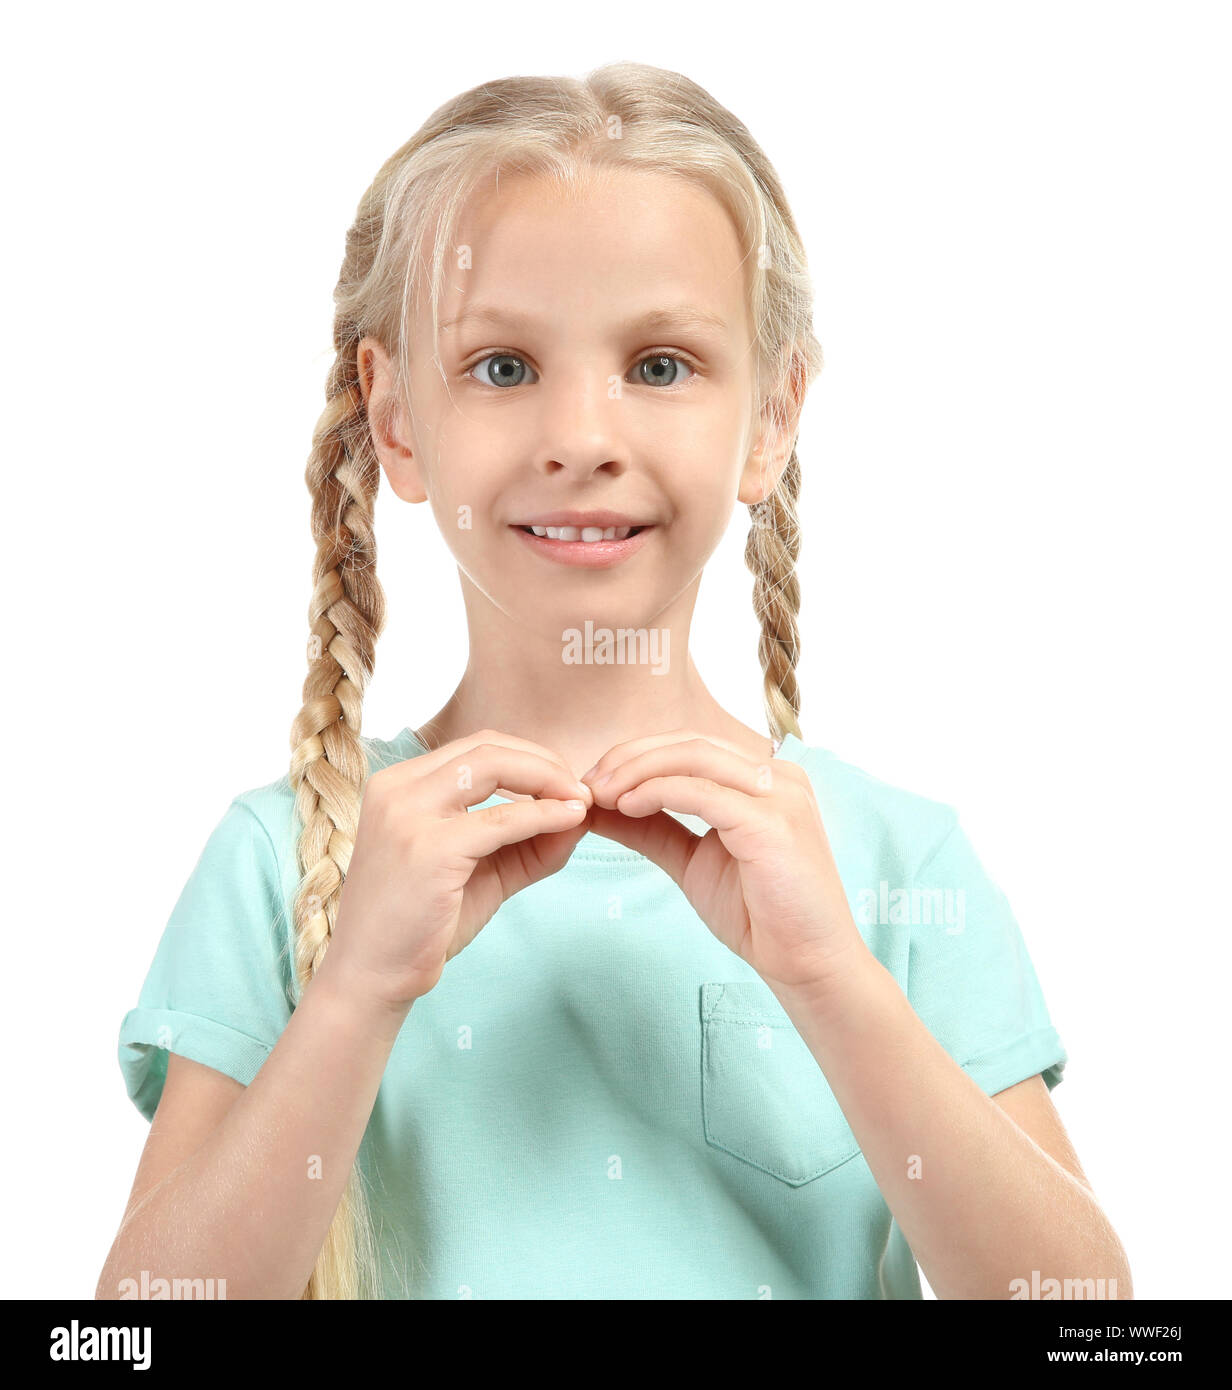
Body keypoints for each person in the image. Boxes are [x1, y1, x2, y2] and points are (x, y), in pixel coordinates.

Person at [99, 61, 1131, 1301]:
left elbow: (1083, 1323)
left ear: (771, 417)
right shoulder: (287, 856)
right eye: (499, 366)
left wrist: (832, 983)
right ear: (395, 419)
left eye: (656, 365)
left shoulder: (896, 865)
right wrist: (355, 992)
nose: (581, 437)